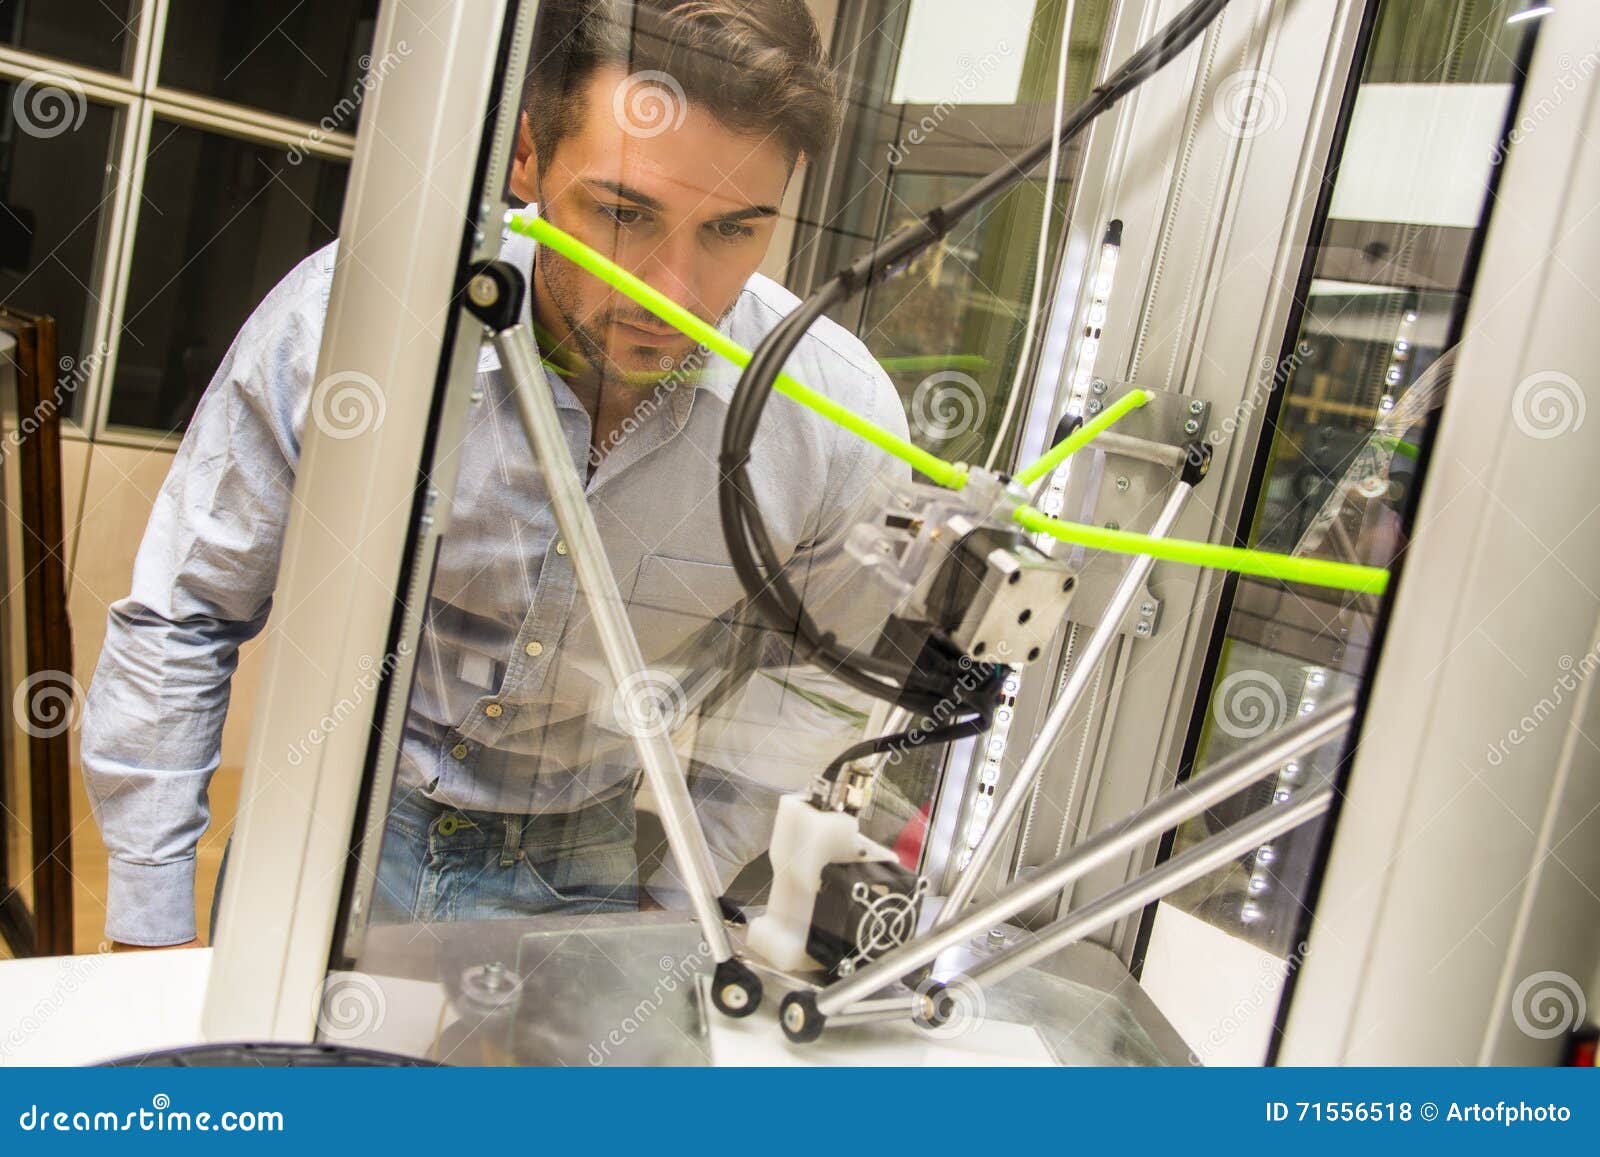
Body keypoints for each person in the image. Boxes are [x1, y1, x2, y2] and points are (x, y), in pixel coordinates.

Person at [80, 0, 910, 949]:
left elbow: (820, 677)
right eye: (623, 212)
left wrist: (683, 898)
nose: (674, 290)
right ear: (526, 160)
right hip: (328, 822)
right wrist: (147, 921)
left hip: (588, 861)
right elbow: (187, 614)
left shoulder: (832, 420)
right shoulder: (355, 320)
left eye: (731, 229)